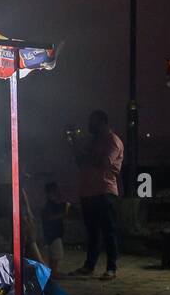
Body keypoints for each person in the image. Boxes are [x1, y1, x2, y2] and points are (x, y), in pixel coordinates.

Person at [69, 109, 123, 280]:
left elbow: (104, 162)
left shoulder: (113, 141)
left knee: (109, 231)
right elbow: (80, 162)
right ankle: (89, 265)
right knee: (92, 232)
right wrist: (74, 144)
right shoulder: (93, 142)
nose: (90, 125)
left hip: (104, 191)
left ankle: (111, 267)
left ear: (103, 122)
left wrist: (86, 154)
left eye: (93, 122)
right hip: (88, 192)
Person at [41, 182, 69, 276]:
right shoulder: (50, 205)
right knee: (56, 255)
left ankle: (53, 271)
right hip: (54, 234)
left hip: (51, 234)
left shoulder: (50, 204)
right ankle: (54, 272)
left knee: (53, 255)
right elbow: (50, 218)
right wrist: (64, 213)